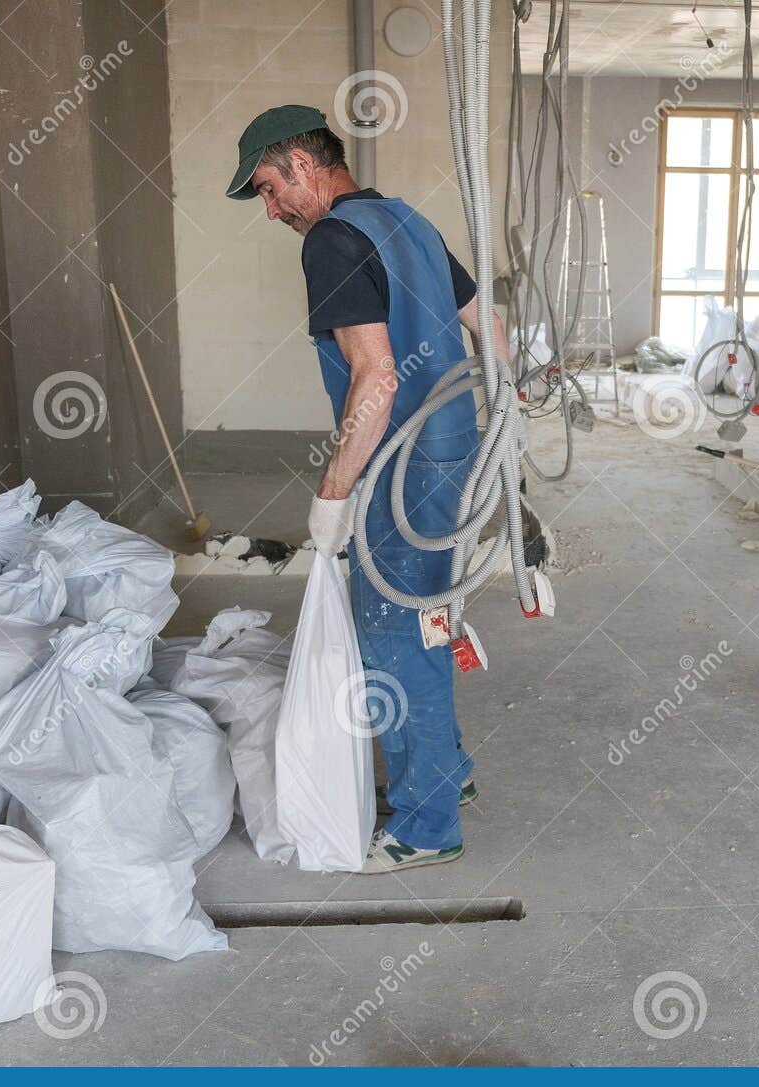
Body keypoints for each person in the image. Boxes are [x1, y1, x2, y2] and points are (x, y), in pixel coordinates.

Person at [226, 104, 505, 873]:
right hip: (451, 450)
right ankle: (448, 771)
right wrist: (510, 411)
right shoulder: (403, 219)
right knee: (429, 616)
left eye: (269, 188)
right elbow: (487, 321)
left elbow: (376, 378)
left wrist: (333, 493)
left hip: (398, 465)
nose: (272, 208)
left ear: (304, 166)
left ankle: (426, 824)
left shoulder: (331, 239)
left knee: (391, 632)